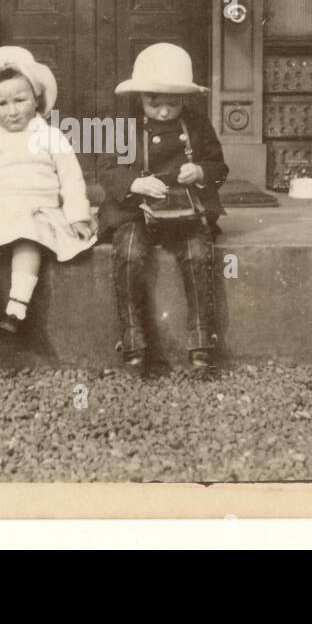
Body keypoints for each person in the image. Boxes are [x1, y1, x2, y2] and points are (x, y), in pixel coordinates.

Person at [98, 43, 229, 378]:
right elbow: (107, 168)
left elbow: (218, 165)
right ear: (140, 97)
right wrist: (135, 184)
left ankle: (201, 340)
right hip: (135, 207)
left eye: (173, 103)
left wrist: (199, 171)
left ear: (184, 100)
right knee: (128, 252)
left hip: (184, 208)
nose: (164, 112)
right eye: (154, 103)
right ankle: (132, 338)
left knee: (199, 252)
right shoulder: (122, 125)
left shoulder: (197, 124)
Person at [0, 46, 96, 334]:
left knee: (29, 240)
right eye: (1, 104)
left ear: (36, 99)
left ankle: (17, 306)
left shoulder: (50, 136)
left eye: (20, 100)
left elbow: (71, 179)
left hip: (37, 208)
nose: (12, 111)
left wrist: (77, 216)